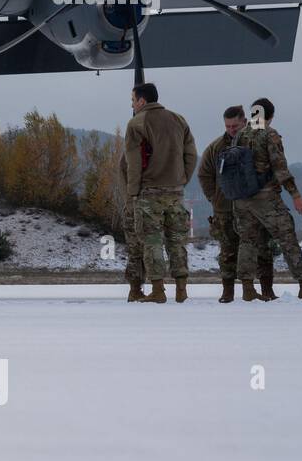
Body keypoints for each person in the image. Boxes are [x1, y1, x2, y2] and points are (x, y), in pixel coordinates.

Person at [125, 82, 196, 304]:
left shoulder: (136, 123)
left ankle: (157, 290)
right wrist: (181, 180)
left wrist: (133, 193)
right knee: (177, 241)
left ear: (142, 101)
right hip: (176, 192)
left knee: (152, 241)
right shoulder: (179, 119)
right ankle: (181, 289)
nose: (133, 105)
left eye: (133, 101)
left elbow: (133, 163)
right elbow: (191, 155)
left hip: (149, 192)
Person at [232, 98, 302, 301]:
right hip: (266, 198)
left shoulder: (241, 134)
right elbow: (280, 168)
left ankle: (248, 288)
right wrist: (296, 196)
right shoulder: (269, 134)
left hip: (241, 198)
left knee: (247, 241)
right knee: (287, 237)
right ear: (271, 116)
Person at [197, 106, 274, 302]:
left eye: (235, 125)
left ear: (244, 121)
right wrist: (214, 198)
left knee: (262, 248)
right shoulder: (216, 147)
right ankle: (228, 292)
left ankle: (266, 289)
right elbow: (204, 174)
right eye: (228, 126)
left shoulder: (256, 142)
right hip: (225, 208)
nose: (231, 129)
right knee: (228, 252)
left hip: (254, 206)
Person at [117, 149, 146, 302]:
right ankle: (135, 289)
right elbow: (122, 177)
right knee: (136, 251)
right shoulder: (130, 150)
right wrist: (130, 202)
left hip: (147, 208)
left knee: (148, 250)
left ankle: (145, 288)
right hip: (134, 208)